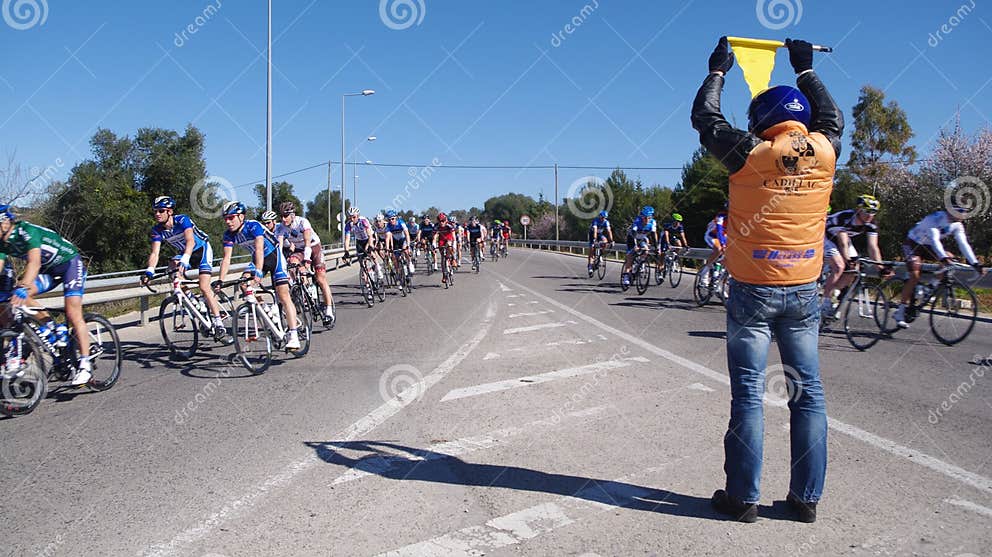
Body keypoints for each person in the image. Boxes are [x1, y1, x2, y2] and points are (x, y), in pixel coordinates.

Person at [692, 37, 843, 523]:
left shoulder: (749, 152)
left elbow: (705, 119)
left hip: (752, 289)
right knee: (808, 394)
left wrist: (718, 71)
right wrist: (805, 68)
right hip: (804, 289)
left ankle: (743, 498)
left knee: (750, 394)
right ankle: (806, 500)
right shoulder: (826, 149)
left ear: (760, 121)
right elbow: (832, 117)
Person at [0, 205, 92, 385]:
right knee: (17, 297)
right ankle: (51, 327)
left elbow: (34, 263)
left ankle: (85, 364)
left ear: (4, 222)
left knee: (73, 313)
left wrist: (24, 285)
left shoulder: (27, 231)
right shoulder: (2, 243)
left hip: (69, 264)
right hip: (49, 271)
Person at [215, 201, 300, 350]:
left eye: (231, 217)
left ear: (241, 216)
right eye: (225, 218)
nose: (228, 221)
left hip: (274, 256)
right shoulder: (228, 235)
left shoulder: (253, 226)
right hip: (257, 259)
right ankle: (265, 310)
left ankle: (294, 336)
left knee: (283, 295)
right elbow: (226, 258)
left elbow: (259, 249)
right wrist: (220, 280)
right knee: (243, 284)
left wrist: (259, 272)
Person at [141, 196, 227, 339]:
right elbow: (155, 253)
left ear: (170, 212)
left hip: (201, 250)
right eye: (155, 211)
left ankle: (219, 323)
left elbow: (190, 241)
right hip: (185, 252)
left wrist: (186, 259)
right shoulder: (157, 230)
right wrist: (149, 271)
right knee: (172, 267)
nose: (157, 214)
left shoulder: (182, 220)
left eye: (161, 211)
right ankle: (193, 300)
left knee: (204, 287)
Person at [893, 205, 985, 327]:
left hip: (928, 246)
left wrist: (975, 263)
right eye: (959, 212)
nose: (962, 216)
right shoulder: (936, 218)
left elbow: (963, 244)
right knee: (915, 275)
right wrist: (943, 258)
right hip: (913, 244)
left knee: (949, 257)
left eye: (964, 213)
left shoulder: (957, 225)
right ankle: (900, 311)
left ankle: (929, 287)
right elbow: (935, 239)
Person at [819, 195, 890, 318]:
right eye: (867, 211)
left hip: (842, 239)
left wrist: (881, 267)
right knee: (839, 266)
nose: (870, 215)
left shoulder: (871, 223)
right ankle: (825, 303)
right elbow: (843, 243)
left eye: (873, 212)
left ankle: (834, 293)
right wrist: (847, 260)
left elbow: (873, 247)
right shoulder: (846, 218)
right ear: (858, 210)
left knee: (854, 270)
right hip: (825, 236)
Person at [274, 202, 335, 324]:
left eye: (286, 216)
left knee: (320, 278)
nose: (283, 219)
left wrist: (307, 260)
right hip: (299, 250)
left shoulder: (302, 222)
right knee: (292, 263)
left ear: (293, 215)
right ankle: (301, 289)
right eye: (281, 216)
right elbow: (279, 248)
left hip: (313, 247)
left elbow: (307, 242)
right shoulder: (280, 227)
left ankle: (329, 311)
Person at [621, 206, 658, 286]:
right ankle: (626, 276)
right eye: (645, 218)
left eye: (649, 218)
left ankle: (641, 264)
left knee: (646, 250)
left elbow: (654, 236)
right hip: (632, 238)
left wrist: (656, 247)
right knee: (630, 255)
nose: (647, 220)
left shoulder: (653, 222)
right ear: (642, 217)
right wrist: (635, 246)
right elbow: (634, 234)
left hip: (642, 238)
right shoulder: (637, 221)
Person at [699, 204, 728, 286]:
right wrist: (723, 244)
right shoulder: (721, 216)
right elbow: (719, 231)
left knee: (731, 257)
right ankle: (704, 274)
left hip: (724, 237)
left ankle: (719, 283)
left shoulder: (736, 218)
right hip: (711, 235)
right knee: (718, 249)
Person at [384, 210, 415, 278]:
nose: (391, 221)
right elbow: (387, 238)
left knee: (406, 251)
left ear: (396, 218)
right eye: (389, 220)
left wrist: (408, 245)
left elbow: (407, 234)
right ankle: (398, 272)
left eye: (393, 219)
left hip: (403, 239)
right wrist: (387, 249)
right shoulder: (388, 226)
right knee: (394, 257)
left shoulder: (401, 223)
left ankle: (410, 263)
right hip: (396, 241)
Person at [587, 210, 614, 275]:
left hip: (600, 234)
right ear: (600, 216)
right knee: (592, 250)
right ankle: (590, 266)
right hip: (592, 235)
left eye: (605, 218)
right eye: (602, 217)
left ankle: (601, 255)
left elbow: (609, 231)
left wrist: (611, 240)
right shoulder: (595, 221)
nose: (603, 219)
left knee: (605, 241)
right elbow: (595, 231)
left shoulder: (606, 222)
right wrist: (594, 240)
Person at [435, 212, 457, 283]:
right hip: (441, 240)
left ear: (446, 220)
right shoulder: (437, 226)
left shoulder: (449, 225)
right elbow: (435, 236)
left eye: (443, 221)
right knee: (442, 259)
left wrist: (454, 245)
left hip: (449, 239)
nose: (441, 223)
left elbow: (453, 236)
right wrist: (433, 244)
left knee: (449, 245)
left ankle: (453, 259)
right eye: (440, 221)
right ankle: (444, 275)